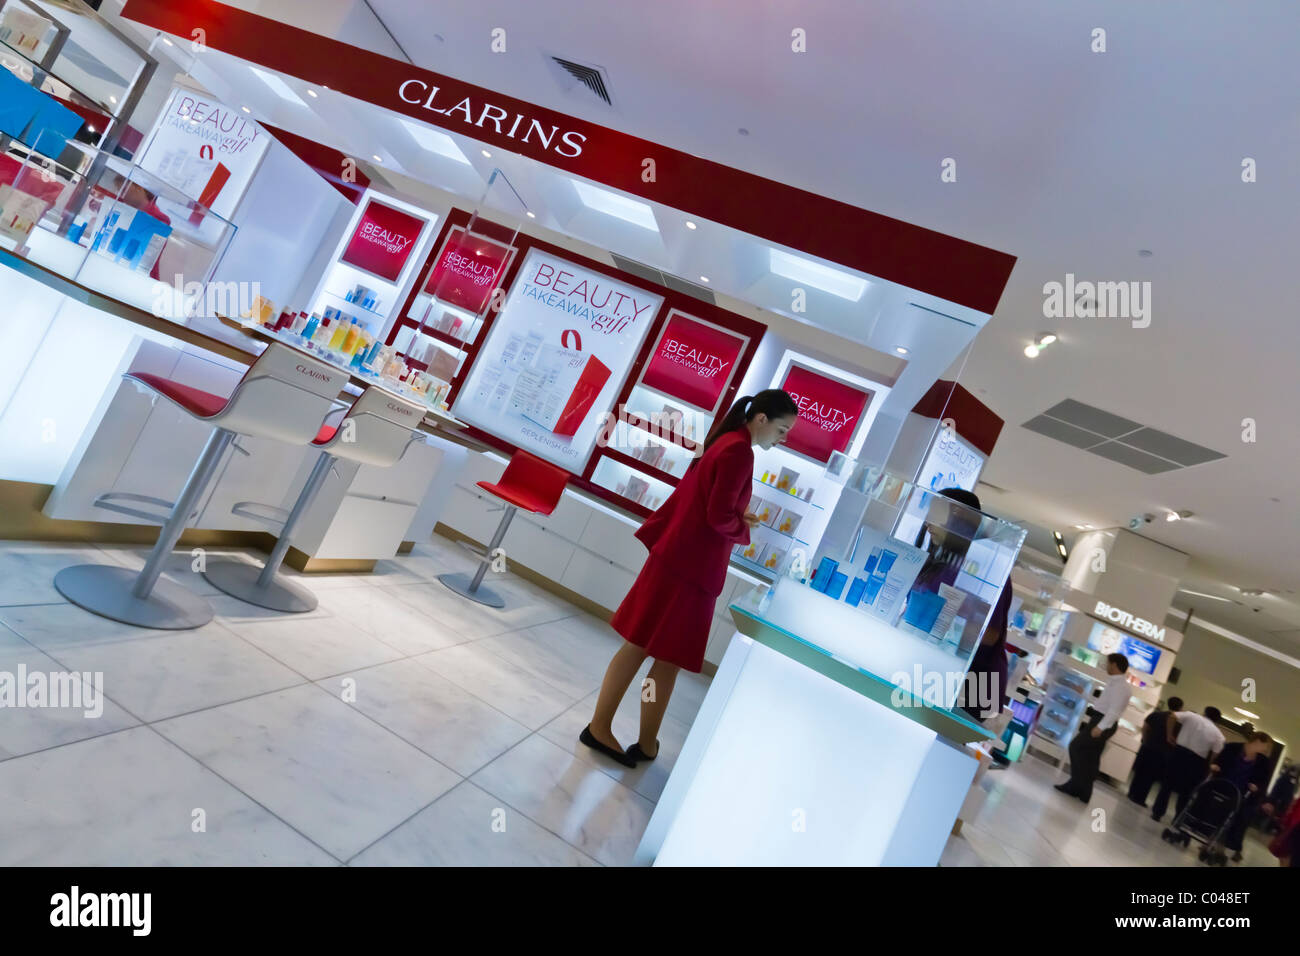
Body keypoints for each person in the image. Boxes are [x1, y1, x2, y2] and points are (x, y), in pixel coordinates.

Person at [580, 390, 799, 767]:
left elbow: (708, 504)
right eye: (781, 430)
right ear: (760, 419)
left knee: (648, 649)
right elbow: (716, 517)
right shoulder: (738, 450)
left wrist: (736, 515)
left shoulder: (726, 442)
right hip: (691, 569)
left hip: (680, 561)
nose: (782, 439)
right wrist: (741, 528)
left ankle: (637, 739)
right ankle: (616, 733)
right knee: (661, 657)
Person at [907, 487, 1013, 724]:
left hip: (965, 689)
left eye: (936, 514)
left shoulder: (987, 568)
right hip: (928, 675)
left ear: (958, 517)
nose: (927, 523)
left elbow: (988, 634)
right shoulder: (940, 562)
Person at [1055, 653, 1131, 802]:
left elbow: (1114, 710)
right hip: (1101, 720)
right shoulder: (1115, 683)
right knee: (1091, 756)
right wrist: (1084, 694)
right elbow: (1104, 704)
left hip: (1103, 722)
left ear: (1114, 665)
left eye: (1108, 663)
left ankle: (1075, 785)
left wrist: (1100, 727)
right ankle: (1084, 792)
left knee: (1076, 747)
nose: (1106, 666)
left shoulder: (1121, 686)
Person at [1151, 705, 1226, 822]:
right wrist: (1208, 767)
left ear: (1204, 713)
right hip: (1197, 761)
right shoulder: (1219, 735)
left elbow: (1172, 716)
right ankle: (1178, 818)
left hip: (1179, 753)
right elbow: (1215, 754)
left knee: (1167, 784)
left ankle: (1157, 812)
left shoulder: (1192, 716)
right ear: (1217, 720)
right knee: (1186, 792)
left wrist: (1169, 735)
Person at [1213, 731, 1275, 862]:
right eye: (1266, 746)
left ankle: (1222, 848)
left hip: (1243, 795)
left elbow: (1263, 780)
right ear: (1258, 741)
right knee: (1219, 816)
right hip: (1224, 787)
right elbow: (1219, 761)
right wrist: (1215, 766)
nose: (1267, 750)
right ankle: (1214, 844)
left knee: (1234, 821)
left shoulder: (1263, 761)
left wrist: (1257, 787)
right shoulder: (1232, 748)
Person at [1127, 697, 1184, 807]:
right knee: (1150, 776)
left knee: (1140, 772)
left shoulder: (1156, 715)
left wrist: (1145, 740)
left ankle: (1131, 793)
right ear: (1180, 708)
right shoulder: (1177, 723)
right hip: (1162, 752)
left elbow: (1145, 727)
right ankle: (1140, 798)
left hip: (1148, 747)